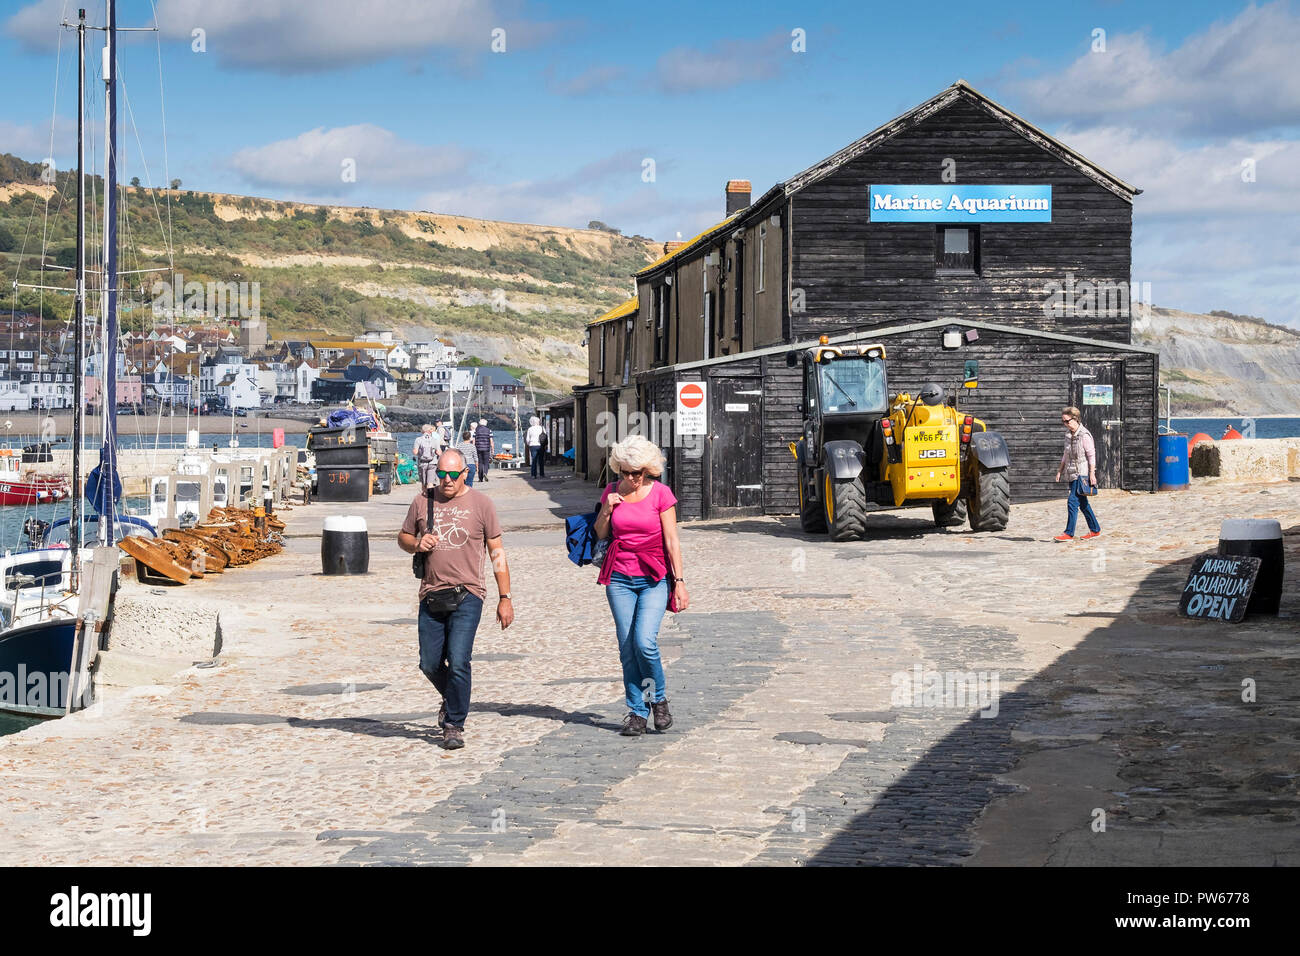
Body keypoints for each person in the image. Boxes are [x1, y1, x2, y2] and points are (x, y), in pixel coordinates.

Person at [398, 449, 513, 750]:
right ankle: (451, 697)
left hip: (468, 593)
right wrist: (417, 543)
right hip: (431, 593)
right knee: (429, 663)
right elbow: (402, 537)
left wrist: (505, 597)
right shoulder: (423, 501)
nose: (446, 480)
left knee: (460, 660)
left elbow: (497, 553)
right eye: (441, 474)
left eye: (452, 474)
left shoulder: (482, 504)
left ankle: (454, 724)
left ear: (465, 472)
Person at [593, 435, 689, 736]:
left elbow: (672, 541)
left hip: (653, 578)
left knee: (644, 642)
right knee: (627, 648)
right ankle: (636, 712)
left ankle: (657, 698)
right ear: (619, 469)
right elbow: (599, 533)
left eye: (638, 472)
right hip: (619, 578)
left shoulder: (661, 494)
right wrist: (607, 509)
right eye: (625, 472)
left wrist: (680, 582)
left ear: (648, 469)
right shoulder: (611, 492)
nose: (632, 478)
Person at [1054, 406, 1100, 541]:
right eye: (1063, 422)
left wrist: (1092, 474)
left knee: (1072, 501)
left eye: (1067, 421)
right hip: (1071, 472)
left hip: (1082, 473)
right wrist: (1059, 471)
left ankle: (1069, 533)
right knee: (1083, 503)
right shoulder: (1068, 436)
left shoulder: (1084, 435)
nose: (1065, 424)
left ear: (1075, 419)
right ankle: (1095, 530)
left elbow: (1091, 455)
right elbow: (1065, 454)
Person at [413, 424, 443, 488]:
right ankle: (430, 497)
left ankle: (424, 496)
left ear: (422, 431)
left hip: (422, 463)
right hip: (432, 463)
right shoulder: (435, 440)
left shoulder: (418, 439)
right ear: (430, 431)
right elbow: (439, 453)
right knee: (430, 484)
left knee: (423, 484)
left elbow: (415, 452)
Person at [473, 418, 494, 482]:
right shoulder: (489, 430)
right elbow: (491, 441)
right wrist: (492, 450)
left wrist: (473, 449)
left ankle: (480, 478)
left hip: (478, 448)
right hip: (486, 449)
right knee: (486, 462)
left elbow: (474, 441)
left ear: (479, 423)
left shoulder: (476, 430)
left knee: (480, 463)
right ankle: (485, 472)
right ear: (486, 424)